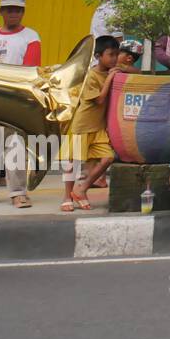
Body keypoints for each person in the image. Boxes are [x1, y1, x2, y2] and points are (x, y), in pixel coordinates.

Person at [0, 0, 41, 208]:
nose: (13, 13)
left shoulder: (31, 36)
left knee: (14, 144)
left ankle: (17, 192)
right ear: (1, 11)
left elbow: (31, 68)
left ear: (23, 12)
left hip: (14, 97)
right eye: (9, 9)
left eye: (18, 9)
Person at [61, 35, 120, 212]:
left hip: (99, 127)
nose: (115, 58)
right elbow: (100, 99)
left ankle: (82, 188)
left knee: (108, 158)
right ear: (99, 56)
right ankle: (66, 197)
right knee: (73, 162)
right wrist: (110, 79)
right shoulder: (91, 76)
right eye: (111, 54)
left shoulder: (113, 71)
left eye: (117, 54)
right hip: (83, 125)